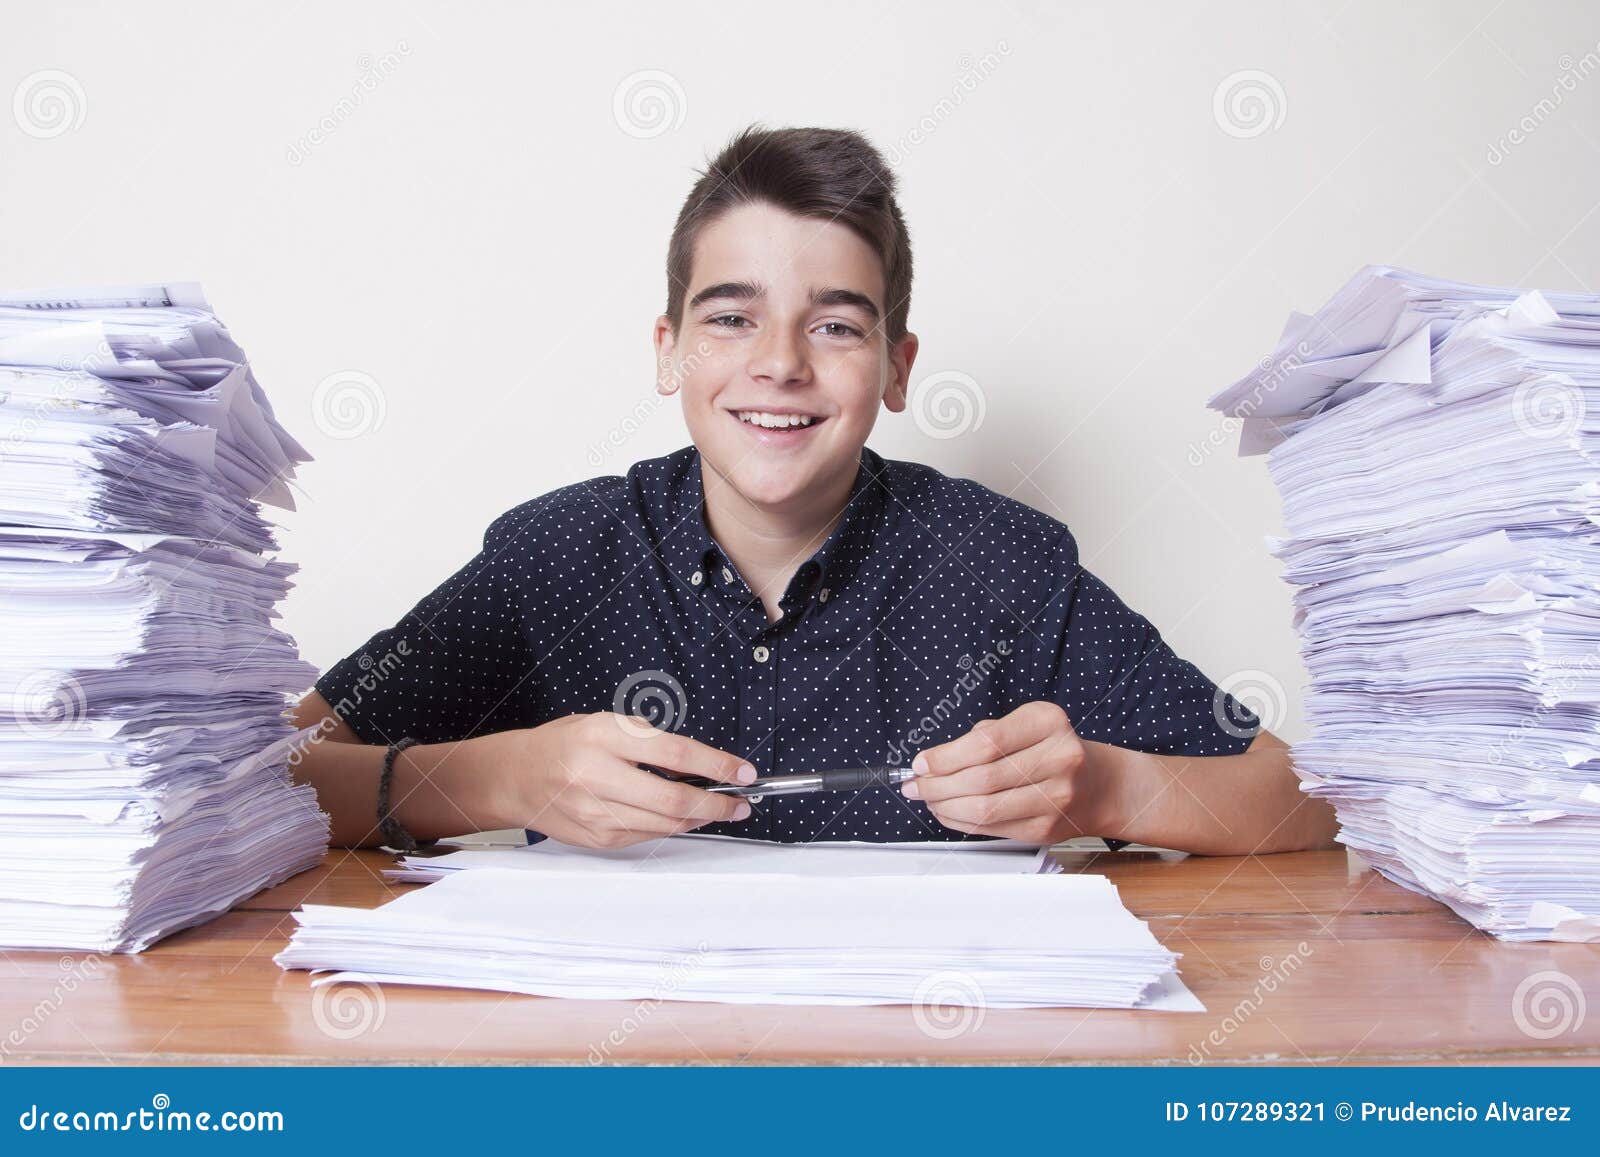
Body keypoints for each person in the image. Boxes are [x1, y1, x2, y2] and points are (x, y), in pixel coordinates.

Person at [290, 124, 1336, 857]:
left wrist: (1109, 789)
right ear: (669, 350)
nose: (781, 363)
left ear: (896, 367)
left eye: (835, 324)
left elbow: (1306, 801)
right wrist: (497, 779)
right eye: (730, 318)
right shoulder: (556, 559)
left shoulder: (1003, 563)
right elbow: (279, 773)